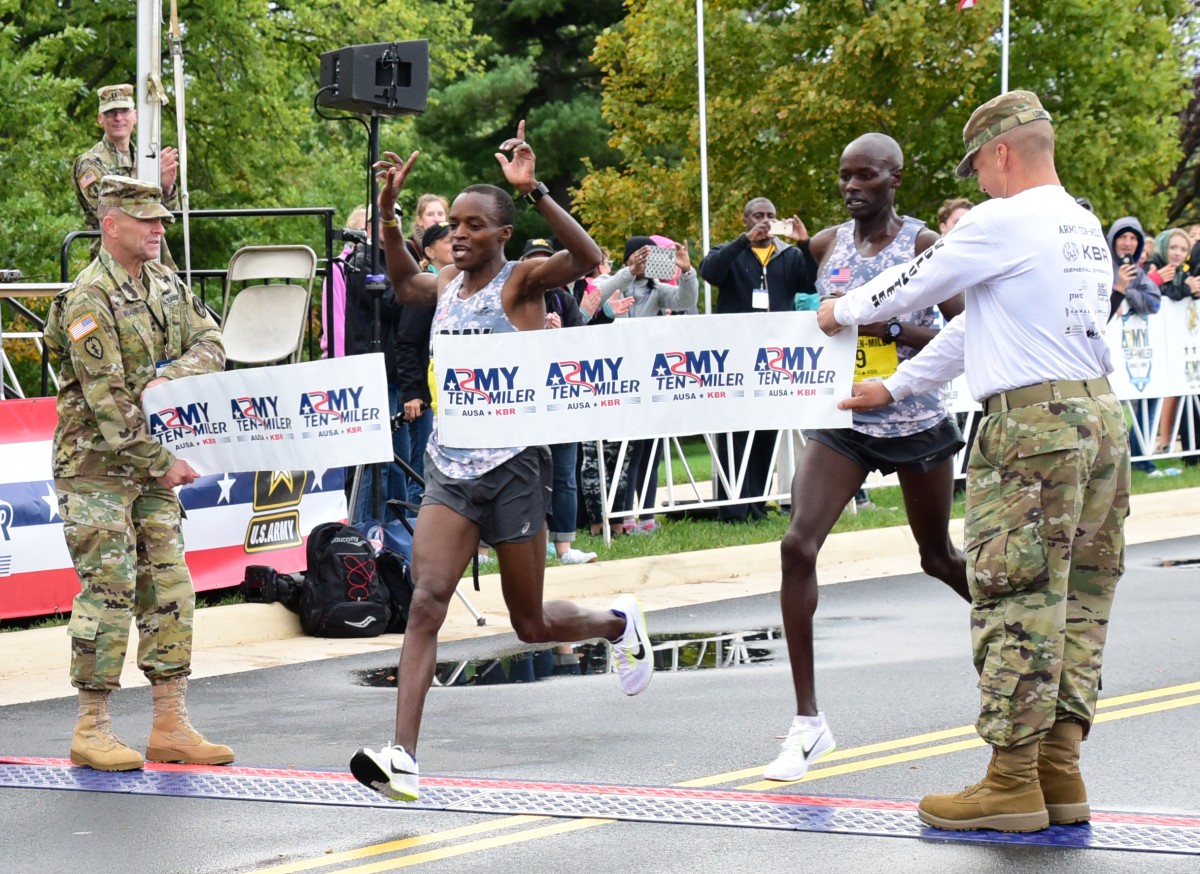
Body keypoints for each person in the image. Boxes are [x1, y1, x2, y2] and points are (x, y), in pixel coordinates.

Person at [818, 91, 1130, 834]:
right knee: (1078, 601)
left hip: (1032, 432)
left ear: (1001, 153)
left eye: (978, 167)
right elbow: (979, 328)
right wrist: (897, 386)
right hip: (1097, 422)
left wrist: (841, 310)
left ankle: (1011, 783)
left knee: (1016, 599)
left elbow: (913, 283)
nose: (979, 181)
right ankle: (1058, 773)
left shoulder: (1002, 220)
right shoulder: (1080, 225)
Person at [350, 122, 653, 802]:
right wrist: (390, 216)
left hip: (515, 468)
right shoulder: (445, 284)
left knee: (530, 624)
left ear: (502, 234)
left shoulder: (521, 284)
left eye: (473, 225)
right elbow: (401, 282)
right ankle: (403, 756)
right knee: (426, 601)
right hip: (450, 470)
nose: (458, 234)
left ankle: (617, 623)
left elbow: (589, 257)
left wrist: (535, 189)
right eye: (453, 225)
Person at [764, 133, 969, 783]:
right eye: (844, 176)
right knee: (797, 545)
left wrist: (894, 328)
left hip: (915, 420)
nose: (852, 187)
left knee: (937, 558)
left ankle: (1027, 635)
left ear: (894, 178)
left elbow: (964, 332)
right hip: (845, 421)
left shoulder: (925, 245)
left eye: (866, 176)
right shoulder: (826, 245)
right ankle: (807, 724)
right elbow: (797, 320)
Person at [44, 175, 232, 771]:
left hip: (151, 470)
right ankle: (91, 727)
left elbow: (212, 339)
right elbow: (107, 403)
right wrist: (164, 462)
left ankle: (170, 725)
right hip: (96, 470)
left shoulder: (165, 283)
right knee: (110, 591)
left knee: (169, 588)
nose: (158, 229)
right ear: (111, 225)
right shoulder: (88, 298)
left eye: (161, 219)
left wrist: (171, 377)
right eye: (147, 220)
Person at [699, 199, 817, 522]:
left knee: (767, 431)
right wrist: (744, 241)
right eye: (758, 216)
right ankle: (733, 508)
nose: (765, 221)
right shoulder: (731, 251)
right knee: (736, 431)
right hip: (736, 357)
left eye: (771, 216)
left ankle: (758, 505)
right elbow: (709, 272)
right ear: (745, 220)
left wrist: (805, 244)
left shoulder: (789, 256)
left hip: (774, 358)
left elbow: (811, 283)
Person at [597, 234, 699, 532]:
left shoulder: (657, 290)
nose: (645, 261)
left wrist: (687, 272)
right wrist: (629, 272)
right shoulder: (613, 282)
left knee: (649, 450)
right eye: (640, 254)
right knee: (624, 450)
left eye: (650, 256)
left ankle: (648, 515)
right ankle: (624, 514)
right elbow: (598, 296)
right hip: (617, 377)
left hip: (649, 377)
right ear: (628, 257)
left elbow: (686, 300)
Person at [518, 237, 596, 565]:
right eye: (534, 260)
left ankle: (565, 546)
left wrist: (561, 334)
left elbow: (583, 349)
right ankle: (520, 543)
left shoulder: (564, 300)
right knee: (523, 476)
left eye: (546, 260)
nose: (542, 267)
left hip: (562, 400)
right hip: (523, 402)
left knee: (564, 475)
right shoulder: (513, 298)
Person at [73, 85, 178, 255]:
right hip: (113, 257)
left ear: (135, 116)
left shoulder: (146, 160)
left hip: (150, 254)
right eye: (111, 113)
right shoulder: (90, 163)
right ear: (100, 119)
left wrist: (166, 188)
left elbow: (168, 218)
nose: (118, 118)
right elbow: (112, 211)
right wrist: (153, 186)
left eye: (124, 111)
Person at [1106, 216, 1162, 474]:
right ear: (1113, 239)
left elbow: (1154, 302)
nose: (1127, 243)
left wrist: (1125, 291)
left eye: (1133, 238)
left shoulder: (1136, 272)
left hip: (1133, 353)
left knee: (1150, 398)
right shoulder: (1102, 266)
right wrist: (1114, 291)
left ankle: (1139, 457)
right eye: (1123, 237)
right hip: (1103, 354)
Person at [1148, 228, 1200, 454]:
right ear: (1163, 247)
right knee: (1155, 399)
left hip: (1179, 345)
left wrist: (1192, 291)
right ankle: (1155, 446)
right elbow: (1163, 295)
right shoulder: (1153, 268)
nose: (1178, 253)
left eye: (1183, 249)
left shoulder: (1180, 273)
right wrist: (1186, 289)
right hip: (1155, 347)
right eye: (1173, 247)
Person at [320, 205, 368, 359]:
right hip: (346, 356)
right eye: (363, 231)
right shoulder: (338, 268)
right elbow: (335, 322)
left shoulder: (380, 266)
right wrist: (341, 362)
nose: (366, 237)